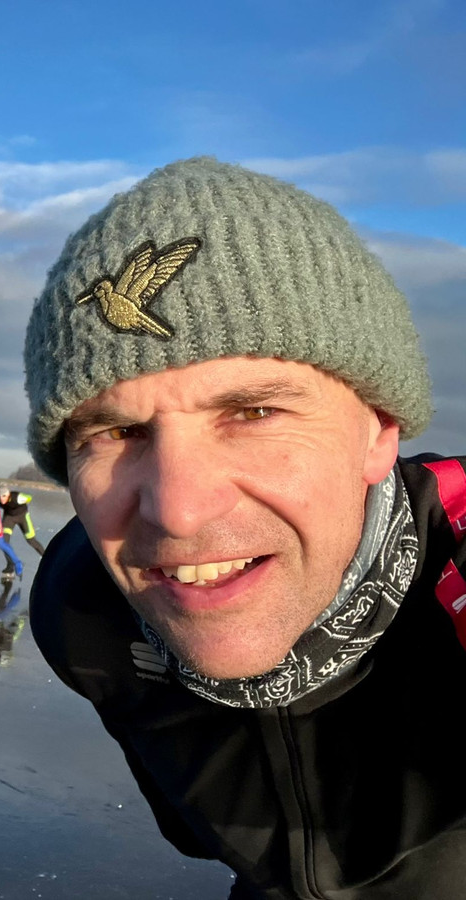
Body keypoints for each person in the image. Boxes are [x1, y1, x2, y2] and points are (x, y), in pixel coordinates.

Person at [24, 157, 466, 898]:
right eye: (117, 432)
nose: (178, 509)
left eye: (254, 412)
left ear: (378, 434)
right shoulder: (85, 611)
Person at [0, 485, 46, 577]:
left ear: (8, 494)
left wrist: (25, 499)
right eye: (0, 497)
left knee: (31, 540)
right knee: (4, 541)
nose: (2, 499)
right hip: (9, 517)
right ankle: (10, 564)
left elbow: (29, 498)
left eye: (4, 496)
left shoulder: (17, 497)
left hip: (22, 516)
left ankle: (47, 559)